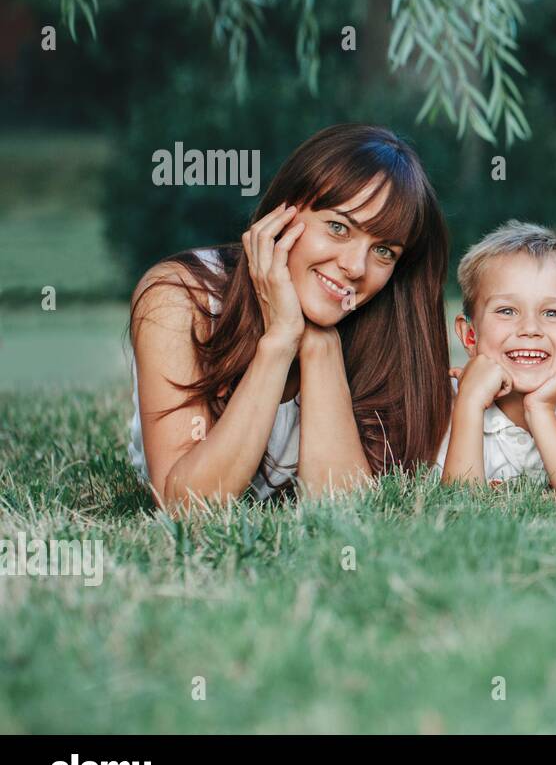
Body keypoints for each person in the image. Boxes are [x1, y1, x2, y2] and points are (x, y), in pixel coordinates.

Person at [129, 124, 454, 514]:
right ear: (285, 213)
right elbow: (187, 506)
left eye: (383, 251)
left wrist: (320, 343)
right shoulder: (181, 297)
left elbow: (345, 512)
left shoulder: (385, 329)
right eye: (338, 228)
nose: (354, 267)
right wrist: (281, 339)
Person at [437, 221, 556, 494]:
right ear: (470, 336)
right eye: (507, 311)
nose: (530, 329)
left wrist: (541, 409)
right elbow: (458, 505)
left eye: (552, 313)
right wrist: (470, 404)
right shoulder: (452, 400)